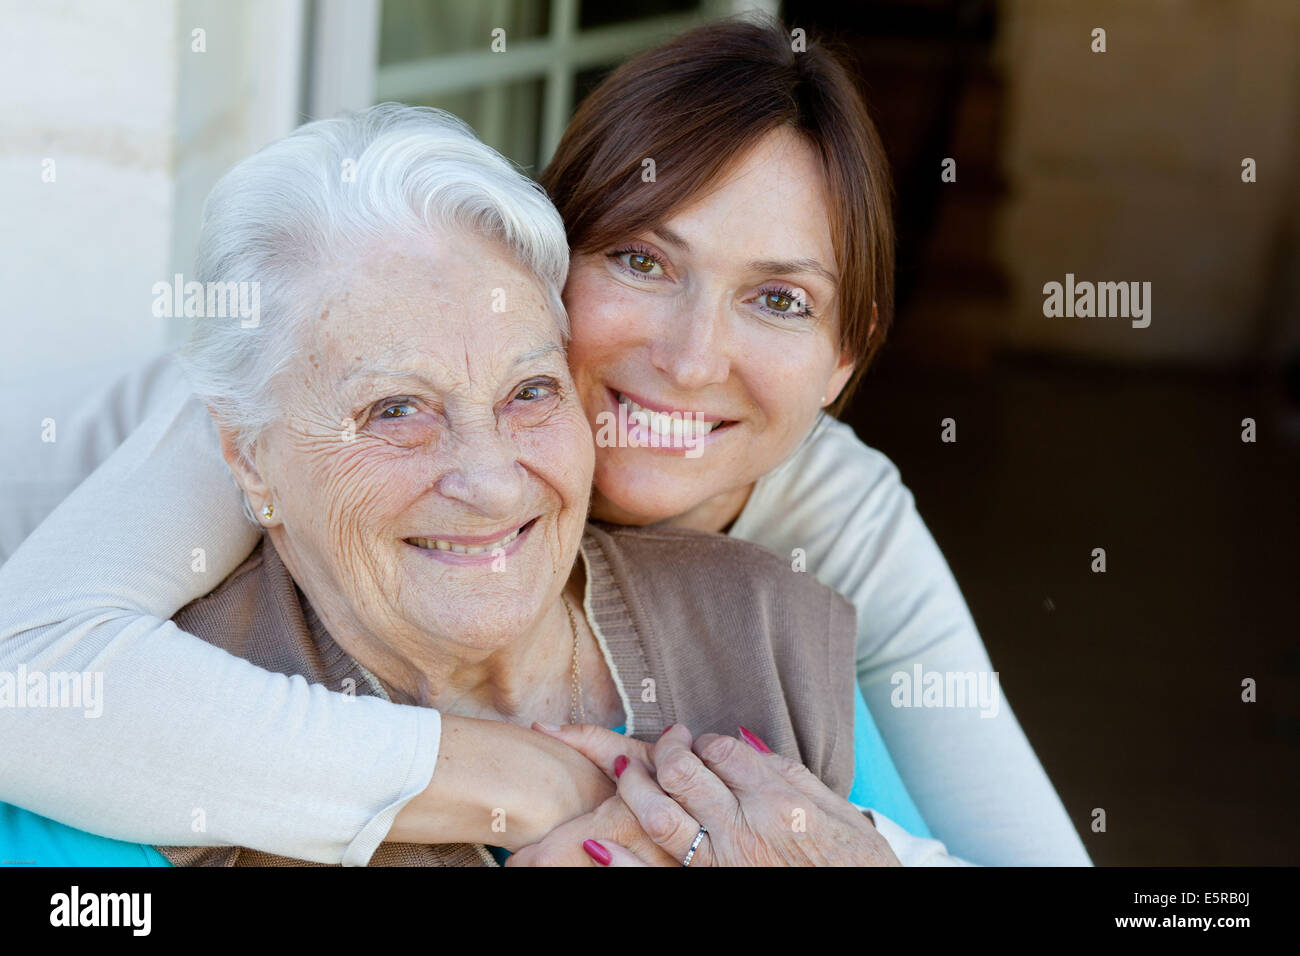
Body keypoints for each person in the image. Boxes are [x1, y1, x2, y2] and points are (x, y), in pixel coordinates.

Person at [0, 16, 1086, 865]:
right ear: (550, 267)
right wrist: (516, 779)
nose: (693, 356)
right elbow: (28, 693)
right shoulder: (261, 415)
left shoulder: (824, 541)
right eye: (644, 262)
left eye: (780, 299)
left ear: (848, 361)